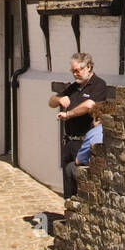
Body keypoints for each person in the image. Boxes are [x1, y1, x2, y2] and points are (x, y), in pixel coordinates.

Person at [49, 52, 106, 192]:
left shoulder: (98, 85)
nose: (75, 74)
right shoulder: (73, 87)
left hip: (84, 143)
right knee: (68, 185)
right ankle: (69, 211)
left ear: (89, 67)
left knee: (83, 186)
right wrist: (58, 100)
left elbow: (89, 105)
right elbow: (51, 102)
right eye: (72, 71)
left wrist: (68, 114)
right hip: (69, 142)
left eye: (77, 70)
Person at [62, 111, 104, 198]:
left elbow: (78, 161)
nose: (92, 122)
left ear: (98, 119)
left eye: (93, 119)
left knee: (70, 167)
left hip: (97, 173)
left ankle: (72, 201)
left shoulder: (93, 132)